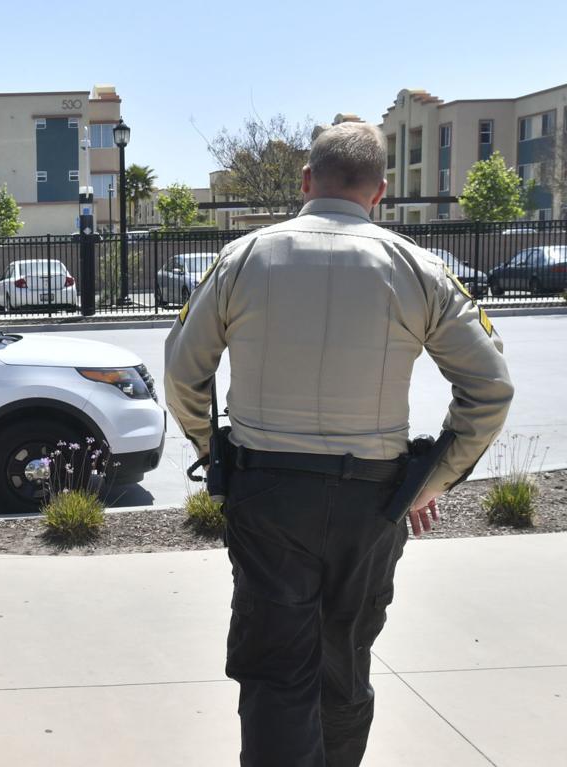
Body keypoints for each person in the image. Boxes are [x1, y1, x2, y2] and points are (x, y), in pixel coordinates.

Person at [163, 122, 513, 766]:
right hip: (373, 502)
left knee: (275, 672)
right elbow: (489, 389)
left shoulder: (243, 258)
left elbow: (184, 371)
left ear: (305, 181)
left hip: (267, 493)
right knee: (344, 662)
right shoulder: (418, 267)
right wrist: (430, 482)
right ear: (379, 192)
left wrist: (213, 451)